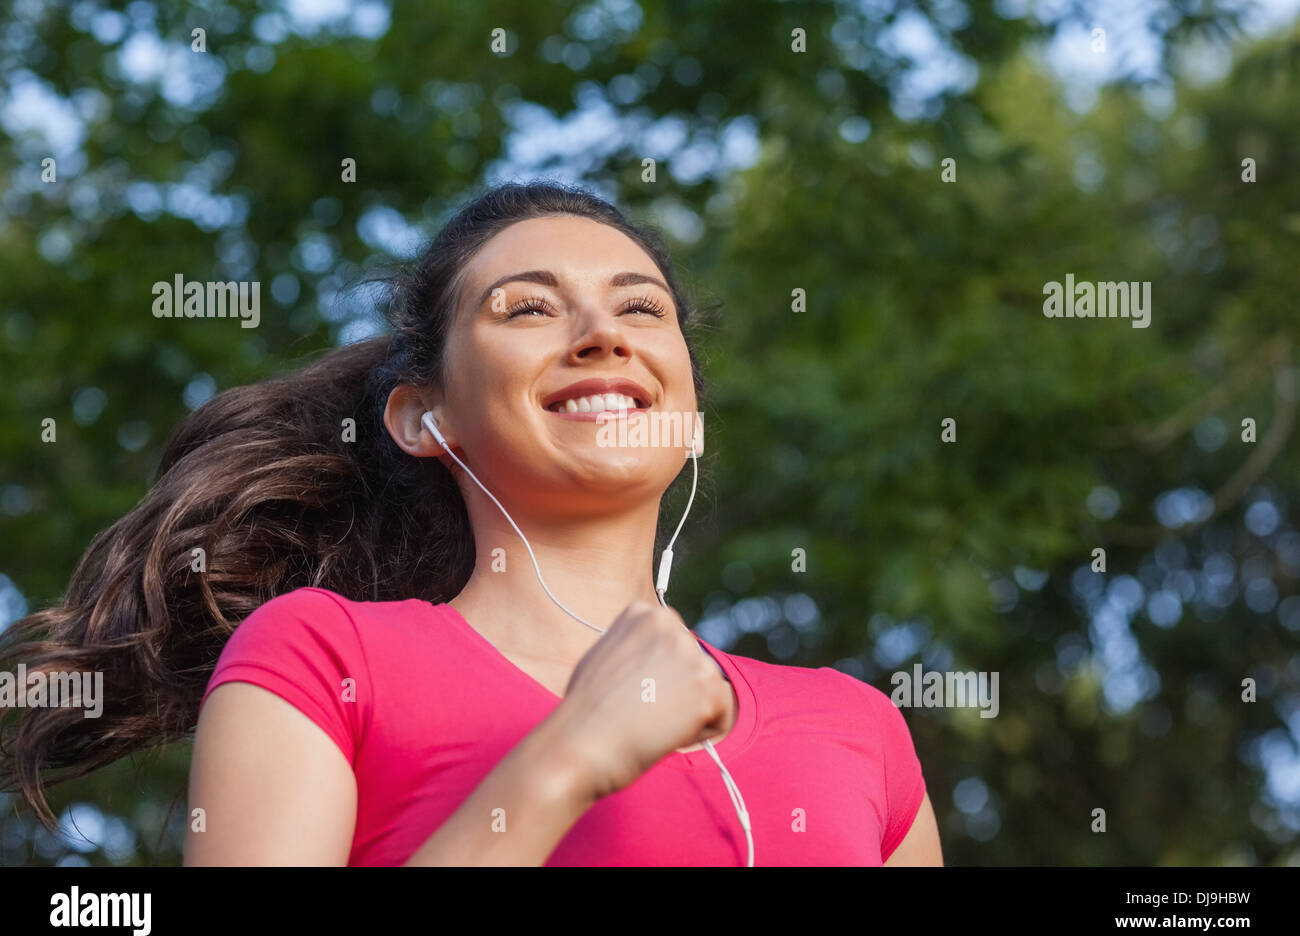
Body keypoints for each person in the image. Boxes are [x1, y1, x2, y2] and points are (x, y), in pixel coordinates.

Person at [0, 181, 942, 866]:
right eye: (527, 306)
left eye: (642, 309)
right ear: (425, 418)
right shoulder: (320, 657)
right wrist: (565, 762)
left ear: (690, 407)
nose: (601, 333)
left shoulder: (858, 727)